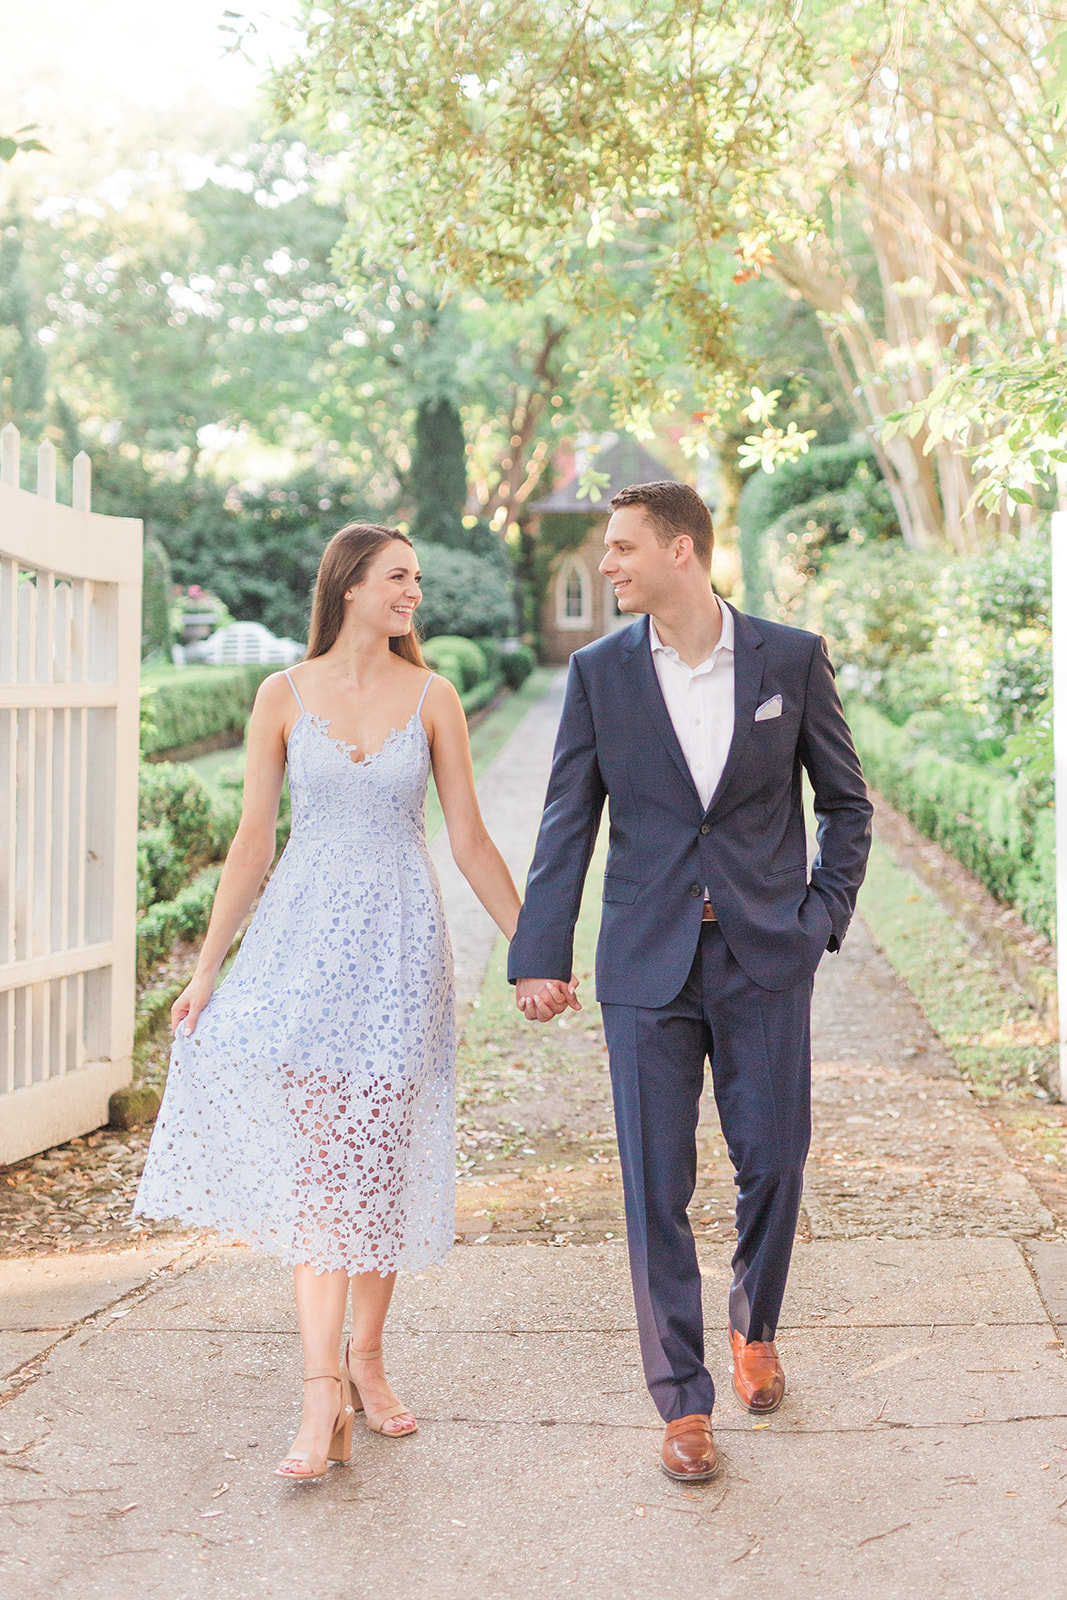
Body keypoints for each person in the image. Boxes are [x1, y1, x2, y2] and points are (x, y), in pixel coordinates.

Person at [134, 523, 522, 1481]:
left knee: (375, 1161)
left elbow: (468, 839)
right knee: (320, 1169)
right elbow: (252, 843)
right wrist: (206, 967)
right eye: (400, 577)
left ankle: (367, 1359)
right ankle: (319, 1398)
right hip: (299, 950)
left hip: (398, 951)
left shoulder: (435, 698)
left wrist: (534, 947)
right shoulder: (281, 695)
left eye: (417, 581)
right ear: (349, 584)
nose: (415, 595)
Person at [509, 481, 872, 1482]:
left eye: (621, 548)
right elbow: (564, 823)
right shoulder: (598, 673)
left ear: (680, 551)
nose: (606, 565)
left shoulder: (786, 659)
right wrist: (538, 951)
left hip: (764, 953)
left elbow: (846, 803)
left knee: (775, 1158)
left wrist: (820, 914)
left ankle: (753, 1326)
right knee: (652, 1184)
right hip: (644, 961)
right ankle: (681, 1400)